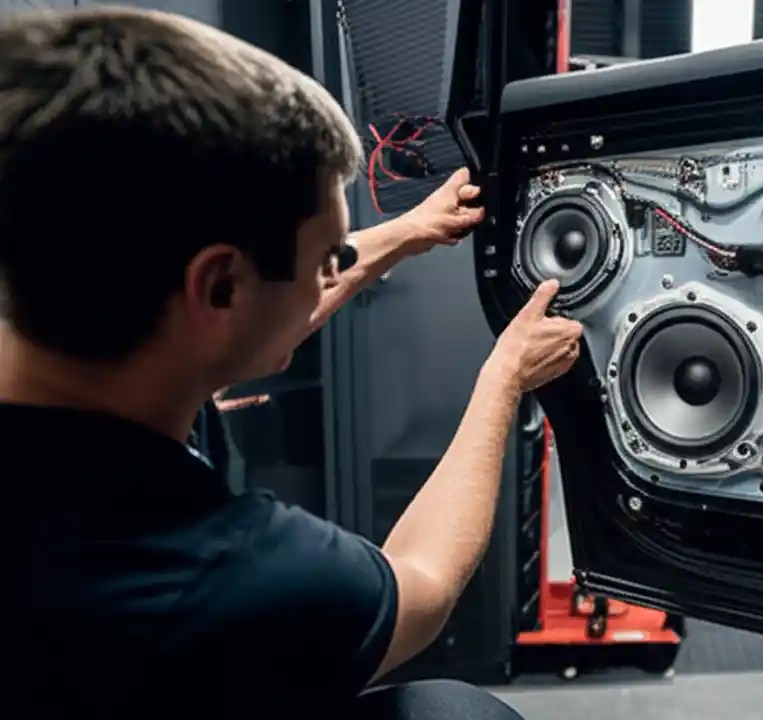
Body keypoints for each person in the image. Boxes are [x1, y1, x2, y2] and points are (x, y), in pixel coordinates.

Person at [3, 6, 583, 719]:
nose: (335, 273)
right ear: (218, 288)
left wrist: (404, 235)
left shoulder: (65, 349)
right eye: (327, 259)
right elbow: (422, 585)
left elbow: (246, 306)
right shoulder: (217, 570)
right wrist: (505, 378)